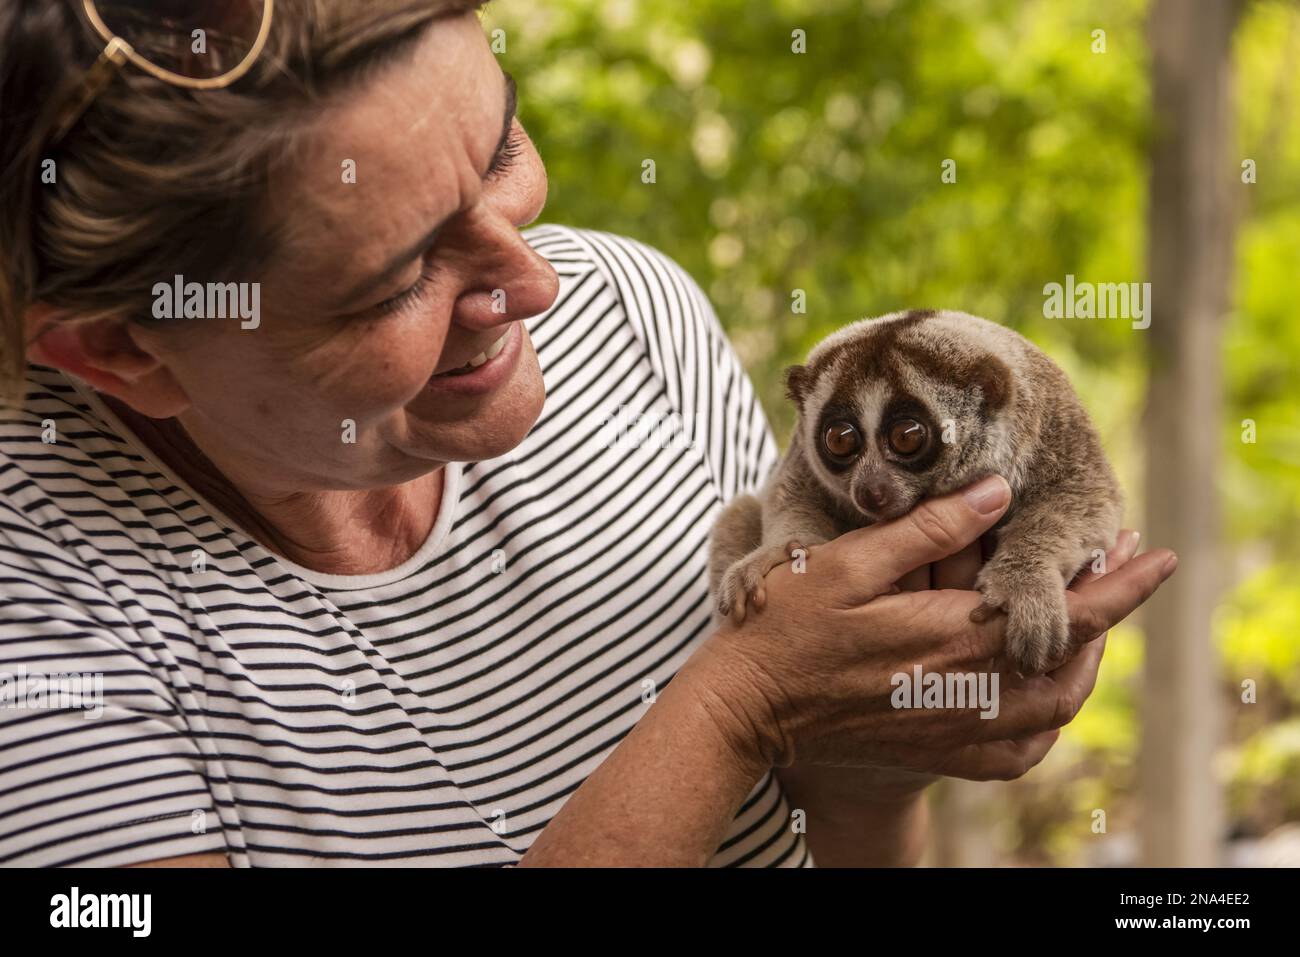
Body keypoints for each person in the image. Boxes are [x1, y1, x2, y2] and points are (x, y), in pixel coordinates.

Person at [0, 0, 1174, 867]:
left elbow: (834, 835)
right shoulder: (38, 618)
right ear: (121, 353)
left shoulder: (632, 312)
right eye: (402, 277)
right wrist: (732, 707)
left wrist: (874, 756)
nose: (538, 281)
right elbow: (746, 705)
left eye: (502, 149)